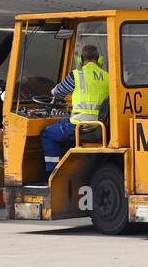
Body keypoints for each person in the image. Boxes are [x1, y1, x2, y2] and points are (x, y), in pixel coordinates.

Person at [40, 44, 110, 173]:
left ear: (80, 60)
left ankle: (52, 173)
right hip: (101, 126)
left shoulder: (77, 75)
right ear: (99, 59)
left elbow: (57, 92)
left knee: (48, 134)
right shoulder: (108, 77)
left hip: (80, 124)